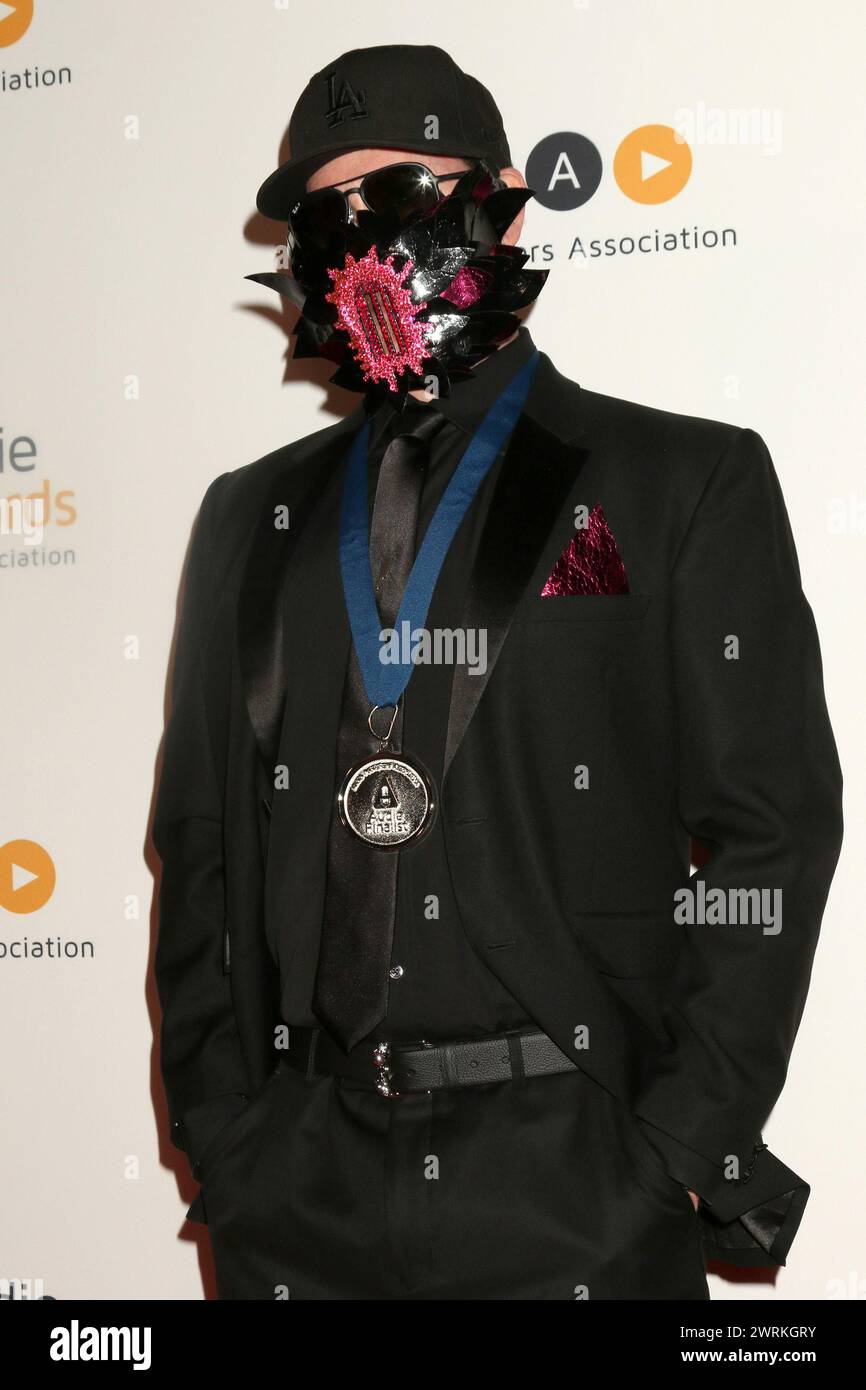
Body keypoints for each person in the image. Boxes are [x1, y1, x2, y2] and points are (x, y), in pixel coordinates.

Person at [153, 43, 843, 1300]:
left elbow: (770, 832)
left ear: (505, 199)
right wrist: (227, 1137)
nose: (363, 234)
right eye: (328, 208)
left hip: (578, 1186)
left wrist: (676, 1145)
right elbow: (198, 842)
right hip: (297, 1191)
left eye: (404, 186)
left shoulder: (680, 483)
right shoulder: (247, 516)